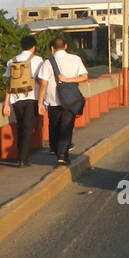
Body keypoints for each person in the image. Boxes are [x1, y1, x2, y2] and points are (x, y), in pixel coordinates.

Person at [36, 37, 89, 165]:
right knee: (66, 126)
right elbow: (84, 77)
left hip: (53, 100)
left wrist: (40, 103)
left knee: (54, 126)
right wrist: (67, 80)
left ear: (52, 48)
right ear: (65, 46)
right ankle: (63, 154)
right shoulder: (75, 59)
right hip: (70, 100)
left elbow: (43, 84)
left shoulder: (47, 63)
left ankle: (55, 149)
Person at [2, 35, 44, 167]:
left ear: (21, 46)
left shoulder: (11, 61)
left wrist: (6, 103)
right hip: (32, 97)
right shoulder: (37, 59)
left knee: (21, 127)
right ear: (33, 47)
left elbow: (8, 83)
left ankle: (22, 156)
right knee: (27, 128)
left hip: (16, 99)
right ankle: (23, 159)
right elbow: (41, 80)